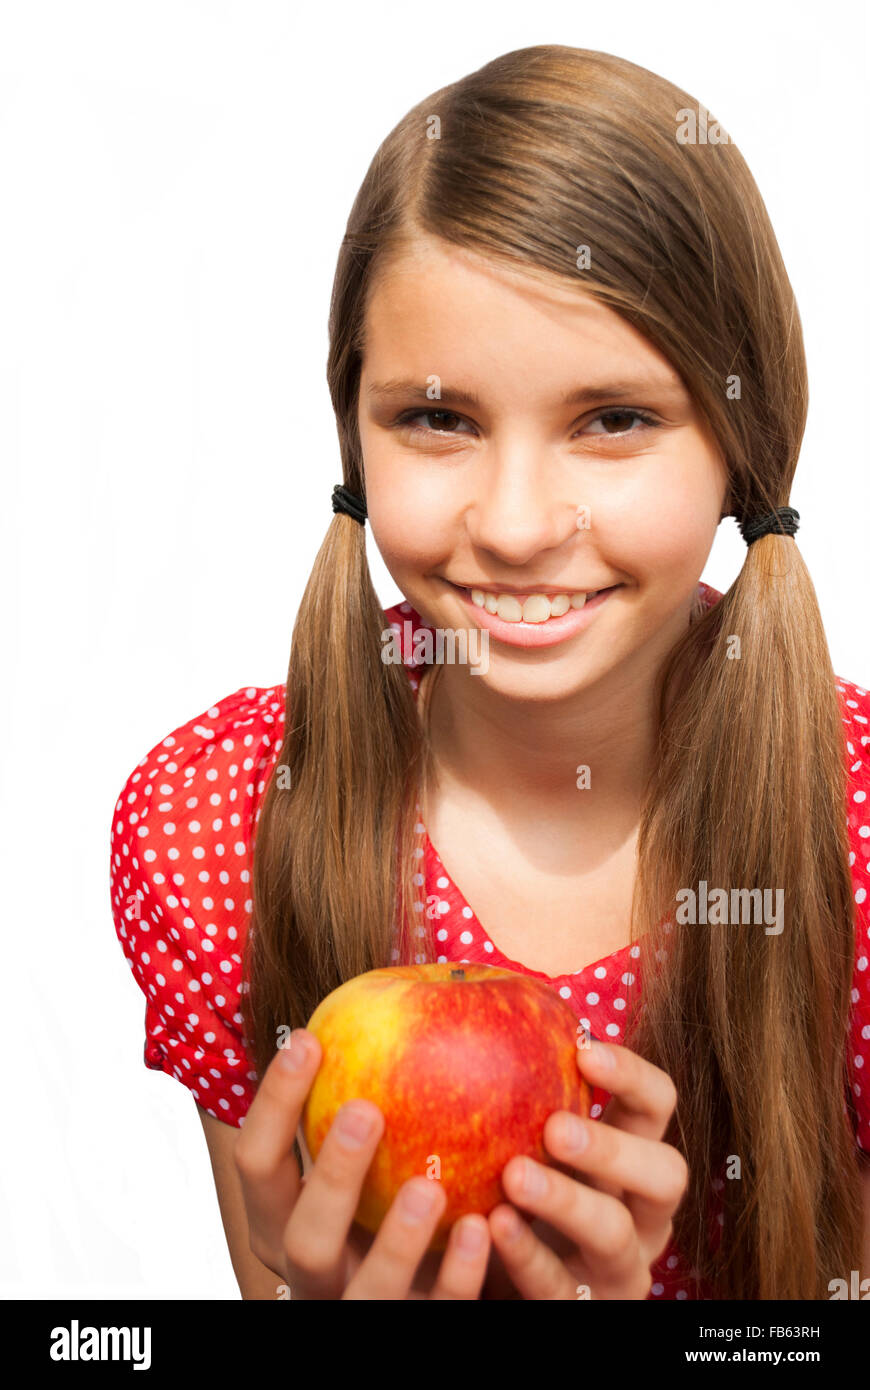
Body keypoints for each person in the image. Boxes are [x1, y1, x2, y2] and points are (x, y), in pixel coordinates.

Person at [109, 44, 870, 1300]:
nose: (518, 524)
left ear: (744, 439)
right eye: (439, 418)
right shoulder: (230, 828)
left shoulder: (848, 836)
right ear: (353, 429)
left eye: (614, 420)